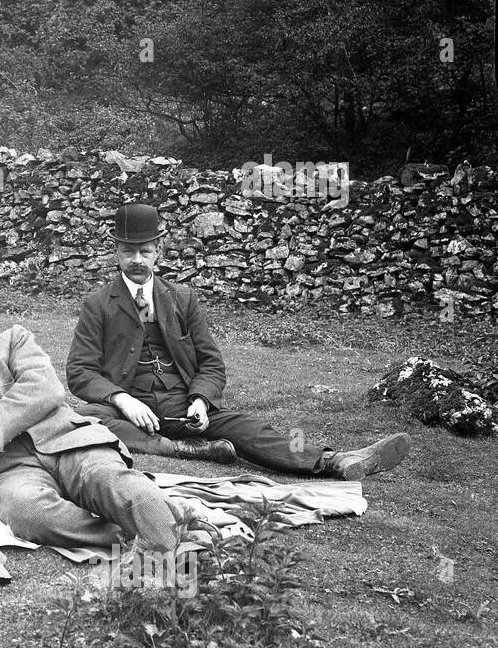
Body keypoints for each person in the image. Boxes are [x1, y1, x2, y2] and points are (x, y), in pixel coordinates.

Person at [65, 203, 411, 480]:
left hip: (182, 408)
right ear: (116, 252)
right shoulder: (98, 305)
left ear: (158, 250)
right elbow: (80, 371)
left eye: (144, 251)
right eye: (128, 252)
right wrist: (123, 400)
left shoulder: (182, 298)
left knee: (250, 427)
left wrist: (200, 400)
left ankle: (335, 460)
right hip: (132, 412)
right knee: (83, 418)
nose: (136, 260)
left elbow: (211, 362)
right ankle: (183, 450)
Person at [0, 263, 180, 550]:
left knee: (117, 485)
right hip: (7, 473)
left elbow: (45, 388)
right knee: (28, 515)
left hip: (68, 443)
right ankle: (131, 536)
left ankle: (168, 536)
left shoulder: (13, 341)